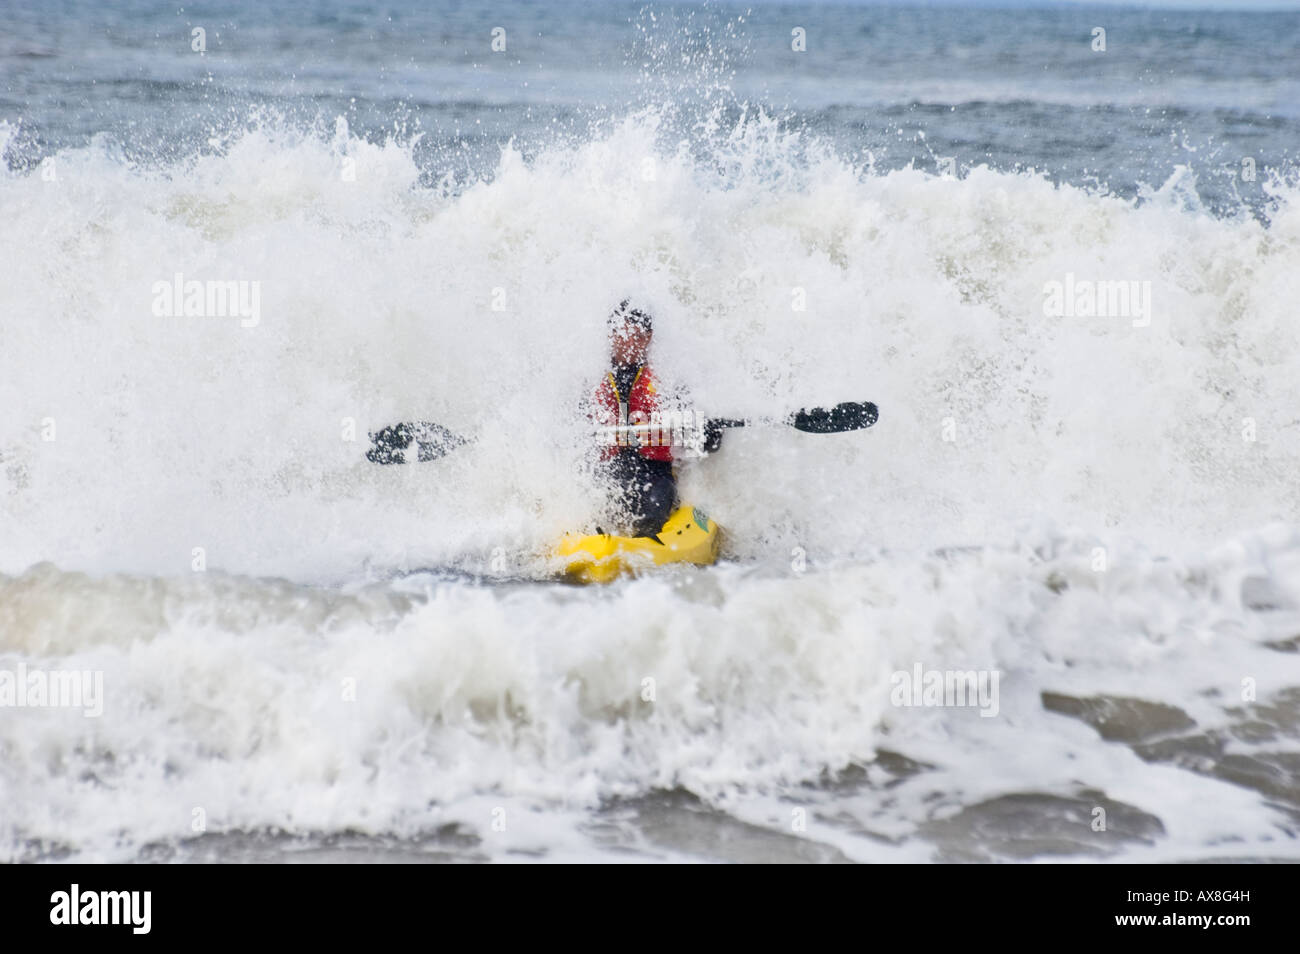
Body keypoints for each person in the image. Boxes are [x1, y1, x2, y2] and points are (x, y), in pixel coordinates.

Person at [588, 300, 723, 537]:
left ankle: (646, 538)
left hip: (654, 472)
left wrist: (705, 430)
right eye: (622, 335)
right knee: (595, 502)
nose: (629, 343)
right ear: (611, 335)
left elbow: (710, 442)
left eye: (638, 337)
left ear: (648, 339)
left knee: (651, 508)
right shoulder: (592, 379)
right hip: (609, 471)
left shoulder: (667, 381)